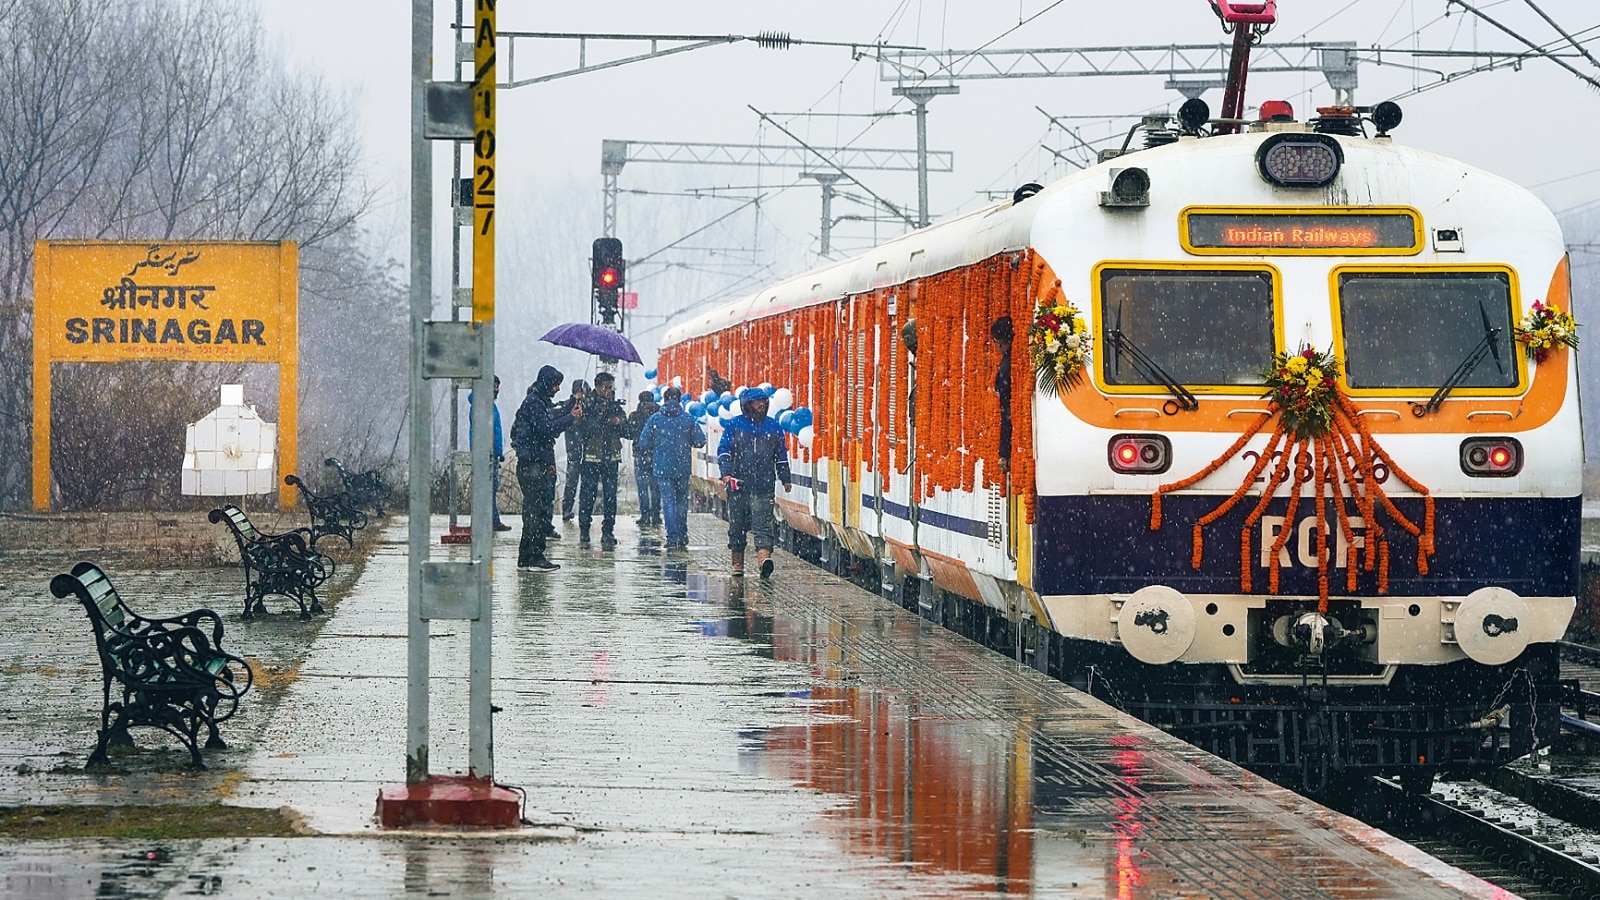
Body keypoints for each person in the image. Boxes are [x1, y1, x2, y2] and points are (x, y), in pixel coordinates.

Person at [510, 366, 583, 571]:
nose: (557, 388)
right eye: (555, 384)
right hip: (533, 465)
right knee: (537, 511)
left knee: (534, 511)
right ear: (546, 383)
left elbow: (548, 423)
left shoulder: (538, 403)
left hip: (536, 463)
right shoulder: (534, 404)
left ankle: (526, 557)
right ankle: (534, 556)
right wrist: (571, 418)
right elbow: (546, 429)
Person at [717, 386, 792, 579]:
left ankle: (764, 561)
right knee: (737, 526)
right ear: (746, 405)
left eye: (764, 401)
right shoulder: (734, 425)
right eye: (758, 402)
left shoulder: (773, 426)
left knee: (763, 525)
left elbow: (781, 455)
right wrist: (726, 473)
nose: (762, 404)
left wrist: (785, 478)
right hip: (738, 485)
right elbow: (724, 450)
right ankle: (737, 565)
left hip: (764, 485)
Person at [636, 386, 705, 551]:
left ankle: (672, 537)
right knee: (681, 502)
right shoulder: (688, 419)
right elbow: (700, 441)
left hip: (662, 467)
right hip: (682, 467)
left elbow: (643, 442)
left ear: (665, 400)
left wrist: (657, 446)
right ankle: (682, 534)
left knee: (668, 502)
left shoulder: (655, 419)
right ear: (679, 400)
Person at [575, 371, 628, 549]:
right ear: (597, 387)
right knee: (587, 495)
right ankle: (584, 529)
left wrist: (618, 421)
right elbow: (582, 428)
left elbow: (627, 429)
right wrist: (599, 420)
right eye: (605, 388)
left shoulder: (614, 405)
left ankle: (608, 531)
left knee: (610, 496)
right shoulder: (587, 404)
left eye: (610, 388)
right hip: (591, 456)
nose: (608, 391)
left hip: (610, 456)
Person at [467, 376, 511, 531]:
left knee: (491, 487)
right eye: (494, 386)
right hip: (486, 454)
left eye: (497, 386)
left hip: (491, 453)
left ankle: (491, 519)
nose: (496, 390)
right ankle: (489, 519)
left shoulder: (488, 405)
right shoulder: (482, 406)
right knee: (487, 488)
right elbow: (486, 431)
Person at [626, 390, 662, 529]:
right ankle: (656, 515)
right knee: (655, 487)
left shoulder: (635, 415)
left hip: (640, 454)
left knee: (642, 487)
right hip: (656, 454)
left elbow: (629, 433)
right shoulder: (659, 415)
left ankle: (645, 516)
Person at [560, 380, 590, 522]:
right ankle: (567, 509)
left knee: (586, 482)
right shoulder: (569, 404)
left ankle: (583, 511)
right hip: (573, 448)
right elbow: (563, 416)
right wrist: (574, 402)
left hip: (586, 448)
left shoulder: (589, 405)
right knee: (571, 480)